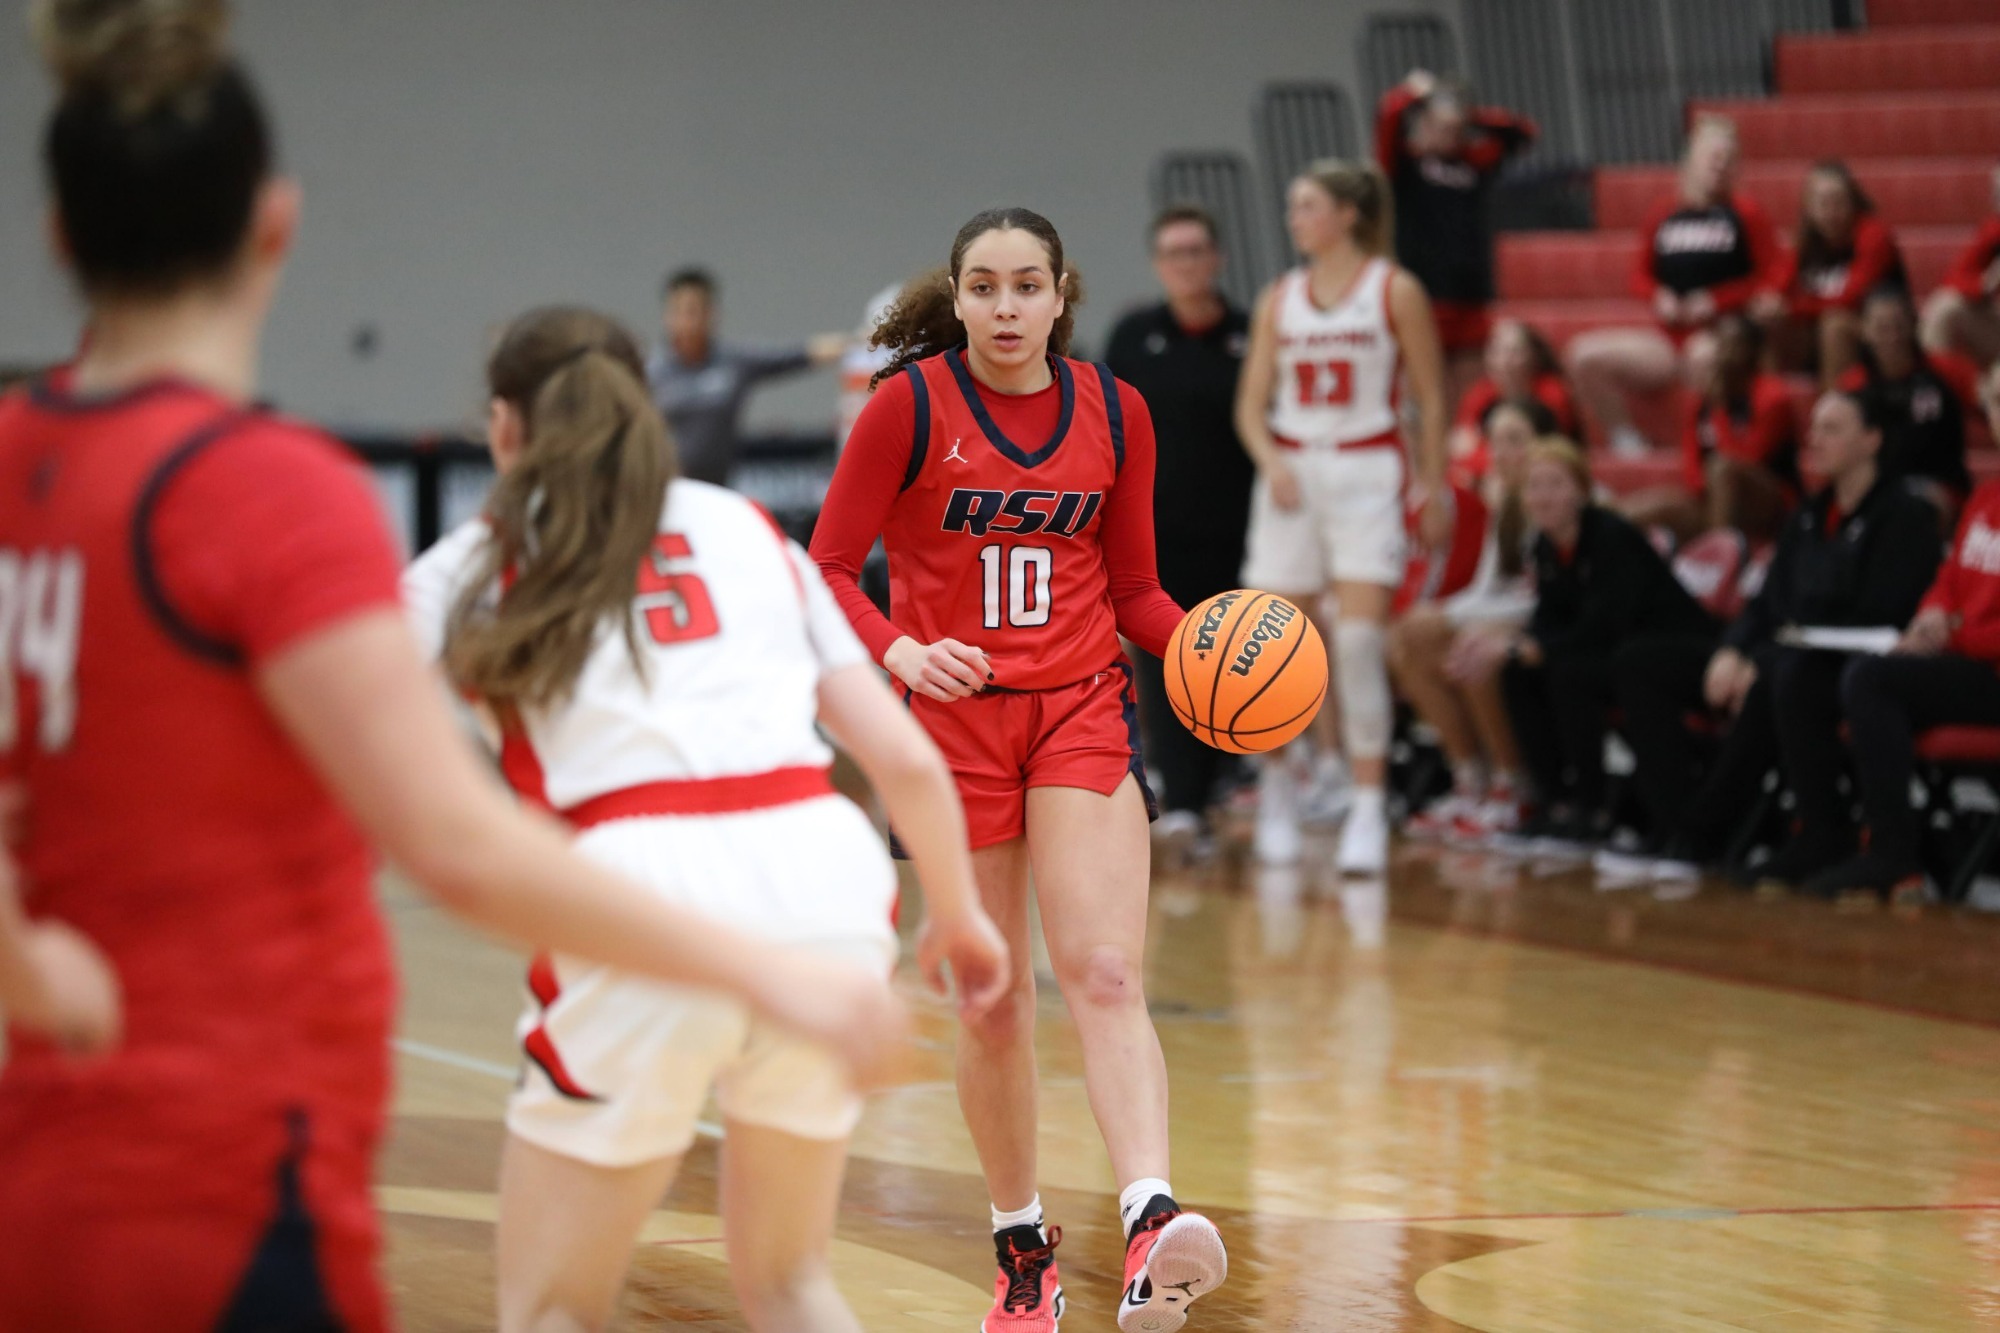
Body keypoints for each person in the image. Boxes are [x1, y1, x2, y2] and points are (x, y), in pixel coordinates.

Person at [0, 5, 910, 1331]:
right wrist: (769, 974)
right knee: (772, 1279)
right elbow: (454, 844)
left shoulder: (20, 464)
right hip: (229, 1160)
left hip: (44, 1151)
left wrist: (24, 968)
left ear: (60, 234)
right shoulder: (265, 494)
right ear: (276, 223)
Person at [402, 307, 1009, 1333]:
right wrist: (957, 913)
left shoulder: (461, 568)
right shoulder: (740, 525)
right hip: (824, 875)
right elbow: (902, 753)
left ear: (503, 429)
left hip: (637, 893)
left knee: (553, 1305)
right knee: (790, 1282)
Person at [808, 208, 1227, 1333]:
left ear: (1058, 295)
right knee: (991, 1001)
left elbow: (1133, 586)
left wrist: (1204, 651)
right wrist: (900, 647)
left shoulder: (1113, 410)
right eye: (983, 287)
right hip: (951, 726)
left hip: (1080, 707)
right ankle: (1020, 1246)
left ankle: (1148, 1218)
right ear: (957, 295)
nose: (1004, 308)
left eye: (1025, 286)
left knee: (1100, 972)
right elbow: (829, 570)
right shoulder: (906, 407)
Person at [1600, 390, 1943, 888]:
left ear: (1872, 440)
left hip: (1843, 666)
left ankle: (1717, 832)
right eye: (1814, 428)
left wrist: (1762, 656)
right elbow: (1765, 601)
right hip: (1780, 652)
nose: (1815, 439)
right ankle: (1667, 818)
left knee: (1785, 678)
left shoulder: (1905, 516)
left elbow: (1881, 613)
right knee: (1640, 661)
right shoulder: (1808, 513)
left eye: (1832, 429)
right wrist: (1733, 650)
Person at [1233, 158, 1452, 874]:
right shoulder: (1280, 297)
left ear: (1347, 214)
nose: (1295, 217)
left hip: (1367, 471)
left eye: (1307, 205)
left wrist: (1433, 482)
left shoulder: (1395, 290)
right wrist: (1271, 461)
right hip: (1294, 472)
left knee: (1356, 644)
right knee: (1273, 644)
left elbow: (1430, 394)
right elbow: (1250, 404)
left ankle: (1365, 803)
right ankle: (1278, 787)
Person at [1450, 439, 1716, 847]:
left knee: (1567, 673)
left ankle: (1594, 806)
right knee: (1519, 672)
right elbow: (1548, 621)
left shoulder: (1611, 536)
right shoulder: (1544, 546)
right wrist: (1508, 646)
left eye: (1555, 484)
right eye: (1534, 487)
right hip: (1616, 655)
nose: (1544, 496)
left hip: (1673, 652)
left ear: (1581, 490)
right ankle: (1554, 801)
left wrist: (1528, 648)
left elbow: (1605, 624)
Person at [1104, 204, 1253, 859]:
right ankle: (1186, 799)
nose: (1187, 263)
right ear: (1159, 265)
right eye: (1174, 253)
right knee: (1164, 660)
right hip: (1153, 532)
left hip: (1240, 530)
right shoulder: (1135, 335)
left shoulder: (1251, 335)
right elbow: (1103, 429)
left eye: (1197, 251)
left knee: (1231, 660)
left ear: (1216, 258)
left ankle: (1223, 784)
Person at [1820, 364, 2000, 897]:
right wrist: (1931, 616)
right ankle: (1844, 839)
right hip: (1968, 659)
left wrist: (1954, 635)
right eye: (1996, 405)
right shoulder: (1989, 494)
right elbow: (1951, 576)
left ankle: (1895, 856)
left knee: (1873, 682)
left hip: (1987, 666)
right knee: (1833, 680)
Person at [1569, 116, 1783, 455]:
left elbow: (1772, 275)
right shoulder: (1664, 213)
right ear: (1690, 161)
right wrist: (1659, 296)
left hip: (1720, 334)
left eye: (1728, 159)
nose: (1720, 165)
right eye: (1712, 157)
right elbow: (1639, 276)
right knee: (1584, 356)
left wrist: (1717, 301)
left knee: (1703, 355)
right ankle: (1628, 445)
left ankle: (1711, 446)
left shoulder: (1746, 213)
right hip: (1669, 339)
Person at [1391, 399, 1537, 840]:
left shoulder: (1554, 495)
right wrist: (1441, 614)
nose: (1501, 452)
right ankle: (1468, 777)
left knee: (1469, 644)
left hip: (1544, 626)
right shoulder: (1508, 504)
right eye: (1495, 442)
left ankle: (1513, 785)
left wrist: (1448, 614)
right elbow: (1493, 588)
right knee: (1409, 644)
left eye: (1515, 440)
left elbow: (1537, 596)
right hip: (1508, 615)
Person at [1373, 69, 1536, 387]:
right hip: (1425, 296)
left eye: (1452, 127)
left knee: (1468, 388)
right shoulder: (1405, 166)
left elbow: (1521, 132)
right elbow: (1388, 118)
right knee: (1424, 390)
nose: (1445, 132)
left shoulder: (1474, 164)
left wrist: (1468, 113)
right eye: (1436, 125)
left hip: (1471, 295)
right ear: (1422, 125)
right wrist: (1413, 94)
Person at [645, 267, 849, 486]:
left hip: (719, 490)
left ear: (711, 314)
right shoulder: (650, 370)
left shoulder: (734, 362)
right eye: (678, 312)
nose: (687, 322)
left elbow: (797, 354)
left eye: (693, 311)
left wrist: (863, 343)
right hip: (665, 491)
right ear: (667, 315)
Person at [1626, 312, 1798, 542]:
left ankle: (1720, 557)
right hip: (1715, 501)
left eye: (1736, 344)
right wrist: (1702, 493)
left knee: (1722, 468)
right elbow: (1691, 461)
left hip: (1768, 502)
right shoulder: (1701, 400)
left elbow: (1749, 458)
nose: (1727, 352)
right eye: (1722, 343)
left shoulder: (1773, 397)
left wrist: (1720, 409)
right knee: (1652, 507)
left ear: (1754, 352)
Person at [1759, 161, 1905, 386]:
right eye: (1823, 203)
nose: (1831, 211)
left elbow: (1849, 299)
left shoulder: (1874, 236)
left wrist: (1793, 308)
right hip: (1819, 334)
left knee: (1834, 325)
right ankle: (1767, 407)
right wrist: (1773, 304)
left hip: (1880, 335)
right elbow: (1777, 285)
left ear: (1853, 202)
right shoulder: (1805, 241)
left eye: (1838, 201)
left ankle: (1833, 414)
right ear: (1809, 208)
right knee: (1766, 320)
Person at [1838, 284, 1975, 517]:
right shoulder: (1852, 386)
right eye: (1882, 328)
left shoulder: (1947, 371)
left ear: (1913, 325)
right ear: (1865, 331)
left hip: (1940, 490)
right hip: (1878, 491)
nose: (1892, 337)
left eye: (1899, 326)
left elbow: (1989, 400)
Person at [1449, 317, 1579, 469]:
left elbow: (1547, 448)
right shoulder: (1480, 394)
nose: (1505, 360)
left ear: (1533, 357)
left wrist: (1482, 453)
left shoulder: (1552, 392)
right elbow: (1460, 445)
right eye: (1497, 351)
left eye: (1514, 352)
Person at [1921, 162, 2000, 366]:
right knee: (1944, 308)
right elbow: (1954, 278)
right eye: (1996, 195)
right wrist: (1985, 284)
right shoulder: (1993, 232)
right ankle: (1931, 388)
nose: (1996, 203)